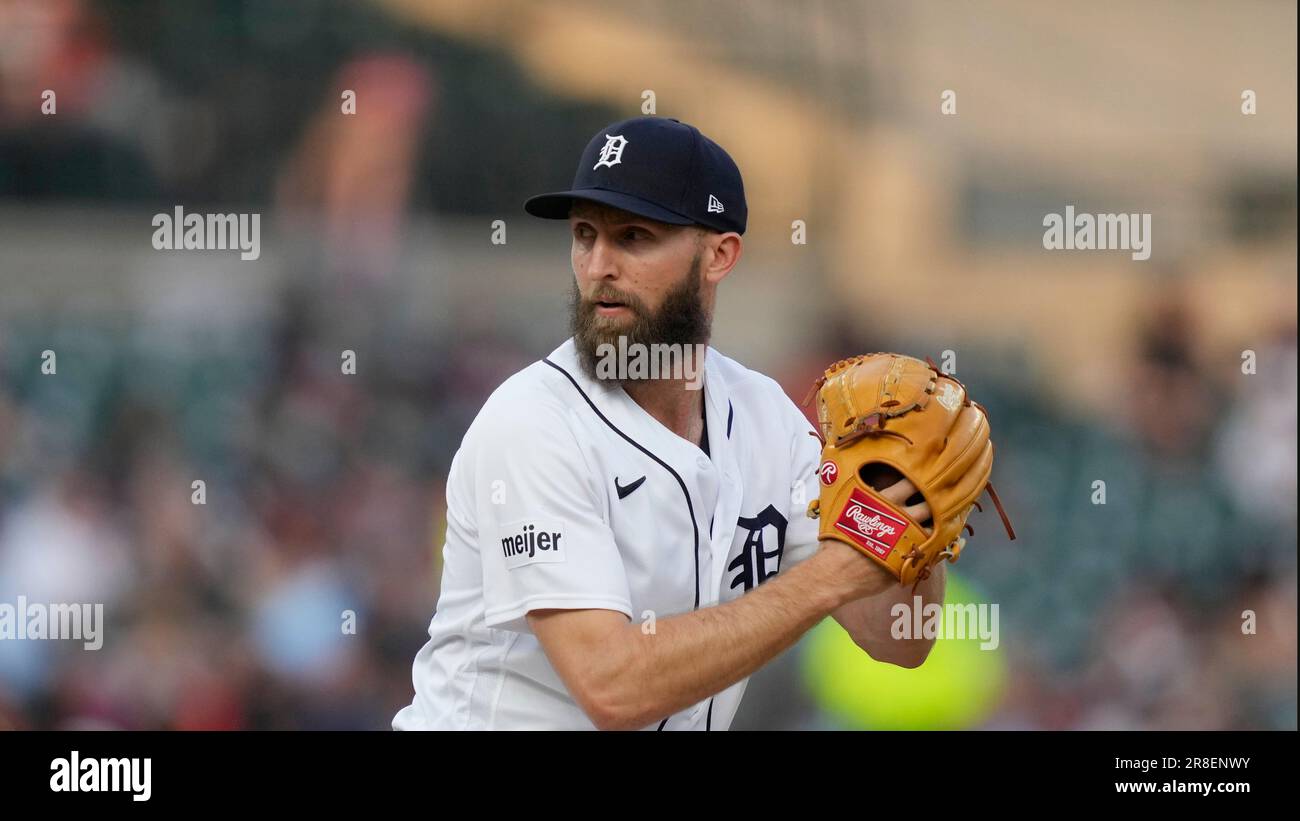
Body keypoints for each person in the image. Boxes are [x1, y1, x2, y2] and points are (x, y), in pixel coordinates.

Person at [393, 116, 943, 730]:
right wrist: (828, 579)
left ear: (719, 254)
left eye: (633, 236)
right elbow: (613, 688)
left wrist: (916, 505)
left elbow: (900, 638)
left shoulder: (767, 418)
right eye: (583, 234)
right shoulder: (533, 424)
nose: (599, 263)